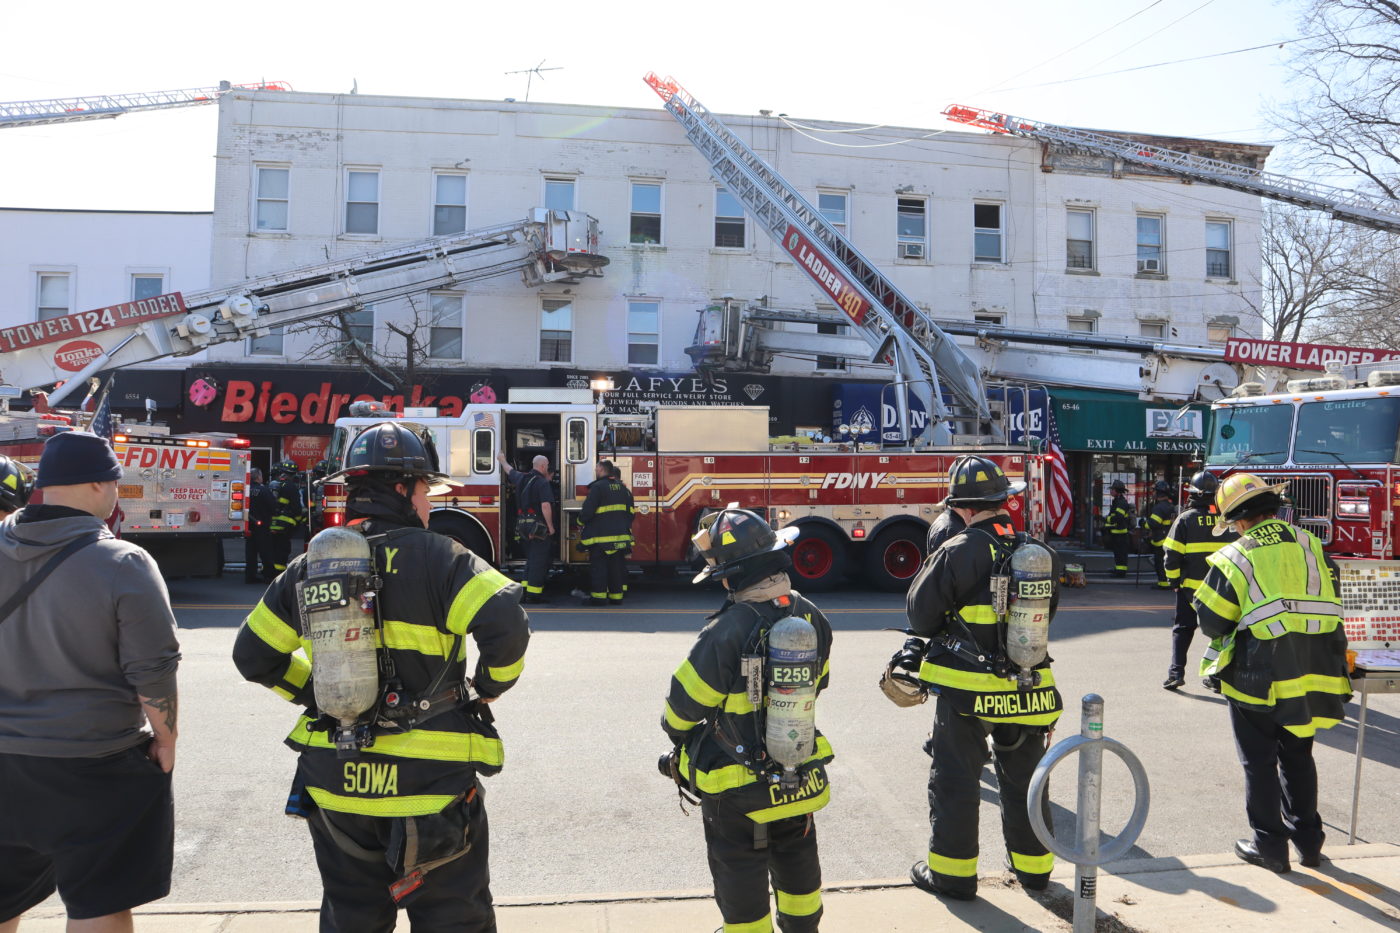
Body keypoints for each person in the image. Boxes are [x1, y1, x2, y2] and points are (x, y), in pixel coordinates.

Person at [234, 421, 529, 932]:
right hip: (429, 787)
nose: (429, 503)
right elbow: (506, 625)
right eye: (425, 490)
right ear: (403, 489)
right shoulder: (444, 558)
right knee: (454, 919)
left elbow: (252, 656)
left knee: (351, 918)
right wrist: (490, 686)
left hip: (335, 787)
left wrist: (323, 692)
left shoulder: (309, 567)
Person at [0, 432, 180, 932]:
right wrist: (166, 738)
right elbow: (154, 668)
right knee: (99, 903)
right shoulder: (123, 561)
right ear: (104, 484)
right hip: (92, 762)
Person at [661, 507, 834, 933]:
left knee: (738, 865)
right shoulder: (811, 615)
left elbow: (682, 709)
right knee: (797, 854)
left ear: (736, 574)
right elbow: (819, 683)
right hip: (797, 770)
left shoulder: (727, 628)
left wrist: (676, 736)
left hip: (737, 786)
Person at [906, 455, 1063, 902]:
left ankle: (953, 878)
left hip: (968, 695)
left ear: (962, 507)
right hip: (1030, 690)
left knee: (956, 782)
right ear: (1002, 501)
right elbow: (1046, 614)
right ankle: (1035, 873)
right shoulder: (1037, 551)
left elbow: (919, 615)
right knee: (1027, 783)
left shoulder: (958, 549)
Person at [1193, 473, 1351, 874]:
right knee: (1299, 757)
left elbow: (1212, 623)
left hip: (1256, 678)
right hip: (1311, 674)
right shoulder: (1311, 543)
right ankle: (1310, 843)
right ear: (1272, 508)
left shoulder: (1238, 554)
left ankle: (1270, 848)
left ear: (1240, 520)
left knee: (1258, 762)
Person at [1161, 471, 1236, 691]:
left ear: (1193, 494)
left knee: (1183, 630)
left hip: (1190, 591)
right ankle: (1217, 678)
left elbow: (1172, 554)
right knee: (1221, 633)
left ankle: (1176, 673)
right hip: (1222, 591)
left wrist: (1173, 582)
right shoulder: (1229, 521)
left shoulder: (1185, 519)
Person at [497, 452, 554, 604]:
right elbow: (545, 505)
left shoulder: (521, 477)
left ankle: (524, 592)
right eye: (547, 466)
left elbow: (509, 470)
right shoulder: (542, 483)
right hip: (538, 527)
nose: (547, 468)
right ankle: (534, 595)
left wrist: (502, 460)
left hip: (522, 526)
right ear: (542, 466)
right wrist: (550, 527)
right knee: (539, 561)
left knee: (531, 559)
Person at [578, 460, 634, 606]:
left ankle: (599, 598)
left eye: (597, 468)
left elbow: (587, 512)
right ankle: (616, 598)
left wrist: (579, 522)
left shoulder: (597, 487)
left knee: (599, 568)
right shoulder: (623, 489)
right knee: (615, 568)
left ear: (602, 470)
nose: (595, 470)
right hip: (620, 538)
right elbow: (631, 514)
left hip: (601, 539)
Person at [268, 461, 305, 574]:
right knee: (282, 549)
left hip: (272, 523)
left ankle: (268, 571)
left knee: (273, 548)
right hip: (284, 525)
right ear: (294, 474)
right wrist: (300, 520)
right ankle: (279, 574)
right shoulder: (291, 487)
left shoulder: (275, 484)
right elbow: (296, 508)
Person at [244, 467, 278, 584]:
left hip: (249, 526)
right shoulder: (264, 491)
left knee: (250, 552)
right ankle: (269, 576)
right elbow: (273, 507)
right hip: (263, 526)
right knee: (266, 552)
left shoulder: (246, 490)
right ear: (258, 477)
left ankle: (250, 576)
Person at [1145, 479, 1178, 590]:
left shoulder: (1159, 508)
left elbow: (1153, 523)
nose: (1153, 493)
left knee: (1160, 563)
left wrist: (1143, 524)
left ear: (1158, 493)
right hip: (1168, 539)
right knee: (1166, 562)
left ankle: (1163, 584)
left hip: (1160, 541)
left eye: (1154, 491)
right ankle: (1166, 583)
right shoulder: (1170, 506)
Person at [1103, 478, 1132, 578]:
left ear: (1117, 491)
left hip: (1121, 534)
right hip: (1116, 533)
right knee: (1117, 553)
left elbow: (1118, 517)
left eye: (1113, 489)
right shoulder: (1117, 501)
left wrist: (1108, 519)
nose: (1111, 491)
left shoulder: (1121, 503)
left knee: (1121, 554)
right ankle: (1118, 569)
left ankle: (1121, 572)